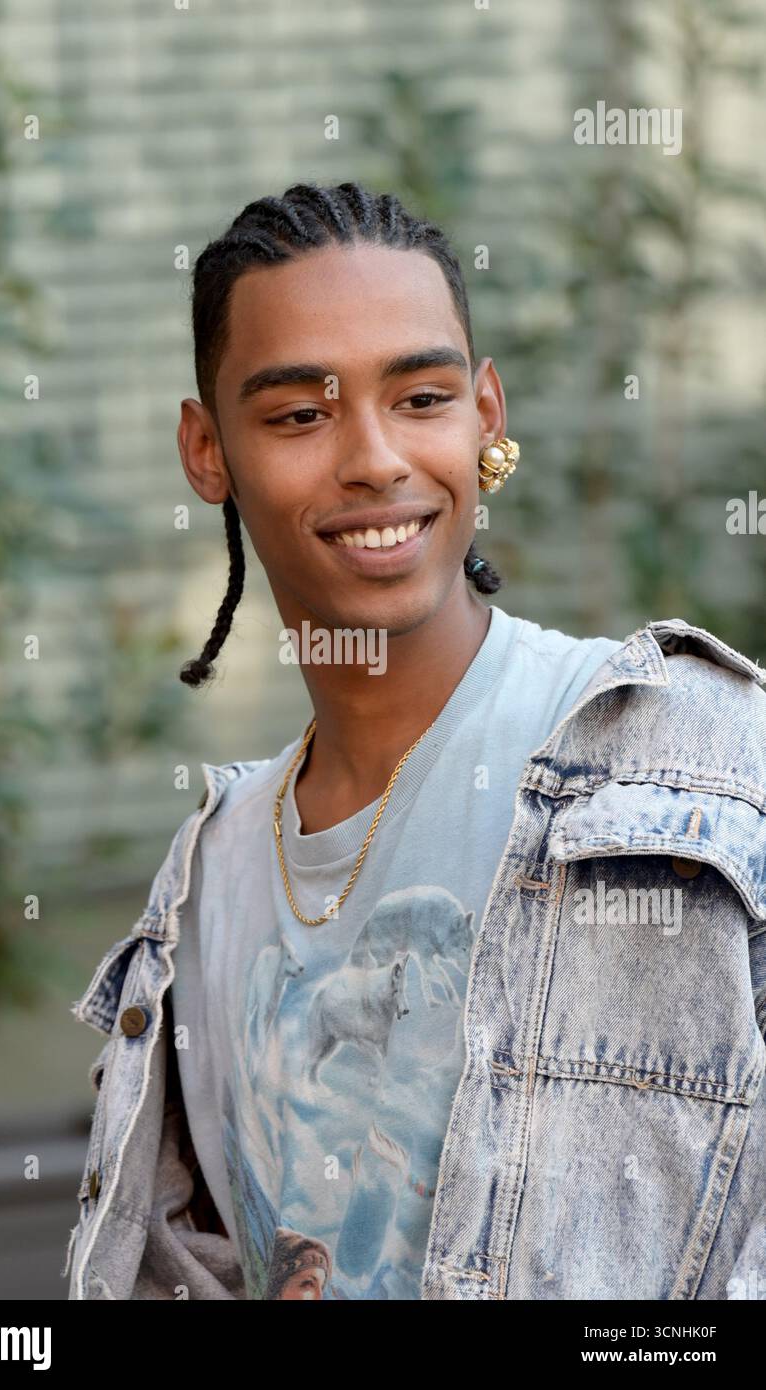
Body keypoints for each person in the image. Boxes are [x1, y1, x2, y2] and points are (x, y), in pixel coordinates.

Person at [65, 182, 766, 1302]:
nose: (374, 459)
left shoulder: (698, 763)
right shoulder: (203, 888)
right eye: (299, 414)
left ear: (485, 414)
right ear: (207, 453)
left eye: (421, 396)